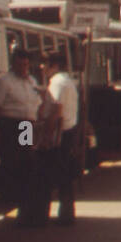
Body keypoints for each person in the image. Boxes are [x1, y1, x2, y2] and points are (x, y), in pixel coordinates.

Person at [0, 46, 45, 225]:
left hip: (26, 126)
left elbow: (37, 103)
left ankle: (27, 209)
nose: (24, 67)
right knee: (16, 167)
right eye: (21, 64)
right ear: (13, 64)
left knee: (28, 165)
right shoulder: (5, 82)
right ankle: (16, 206)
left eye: (27, 64)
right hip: (11, 125)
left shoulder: (31, 81)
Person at [40, 52, 79, 225]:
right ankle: (66, 214)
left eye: (44, 64)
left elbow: (56, 111)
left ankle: (43, 214)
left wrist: (46, 137)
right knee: (64, 175)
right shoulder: (69, 82)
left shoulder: (56, 83)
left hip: (55, 133)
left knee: (48, 174)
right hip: (68, 130)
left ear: (53, 66)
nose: (42, 68)